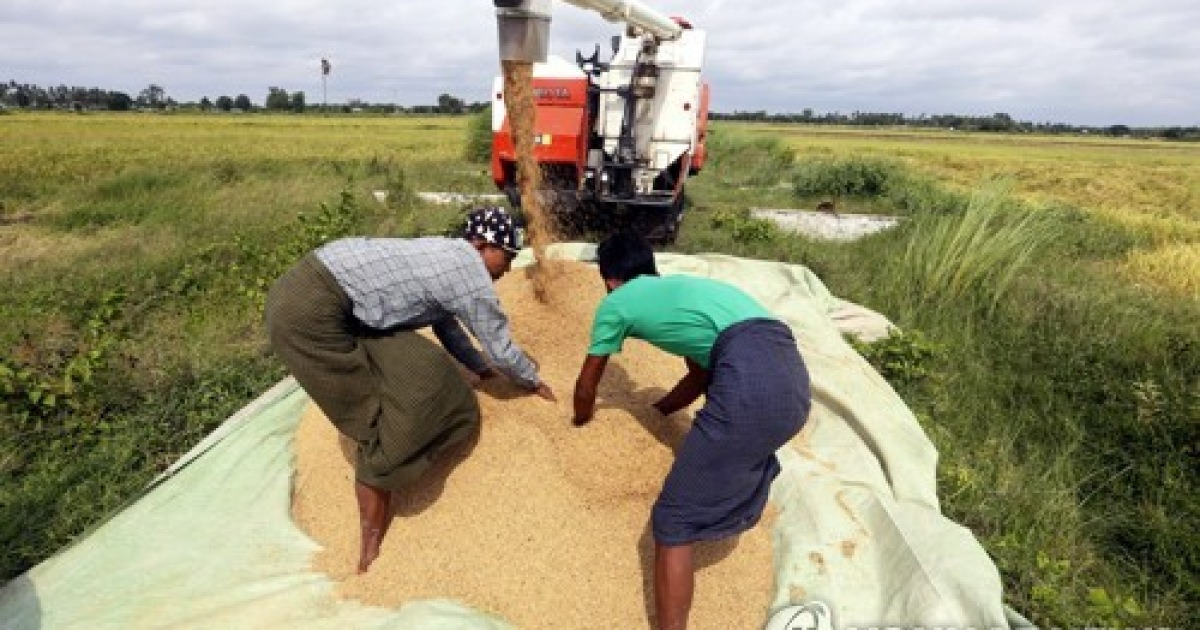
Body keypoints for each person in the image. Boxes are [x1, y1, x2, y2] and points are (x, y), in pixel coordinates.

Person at [266, 206, 556, 573]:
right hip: (308, 308)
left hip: (330, 291)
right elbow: (499, 344)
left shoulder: (447, 254)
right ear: (482, 246)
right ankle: (371, 527)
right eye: (507, 255)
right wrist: (531, 379)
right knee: (376, 413)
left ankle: (378, 485)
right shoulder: (468, 272)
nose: (509, 268)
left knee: (414, 370)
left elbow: (445, 325)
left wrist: (478, 367)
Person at [571, 232, 811, 630]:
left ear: (609, 277)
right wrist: (661, 409)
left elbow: (587, 384)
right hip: (793, 384)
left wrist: (579, 422)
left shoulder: (615, 302)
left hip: (748, 386)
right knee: (743, 445)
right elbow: (699, 376)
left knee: (673, 520)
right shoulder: (684, 294)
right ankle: (729, 506)